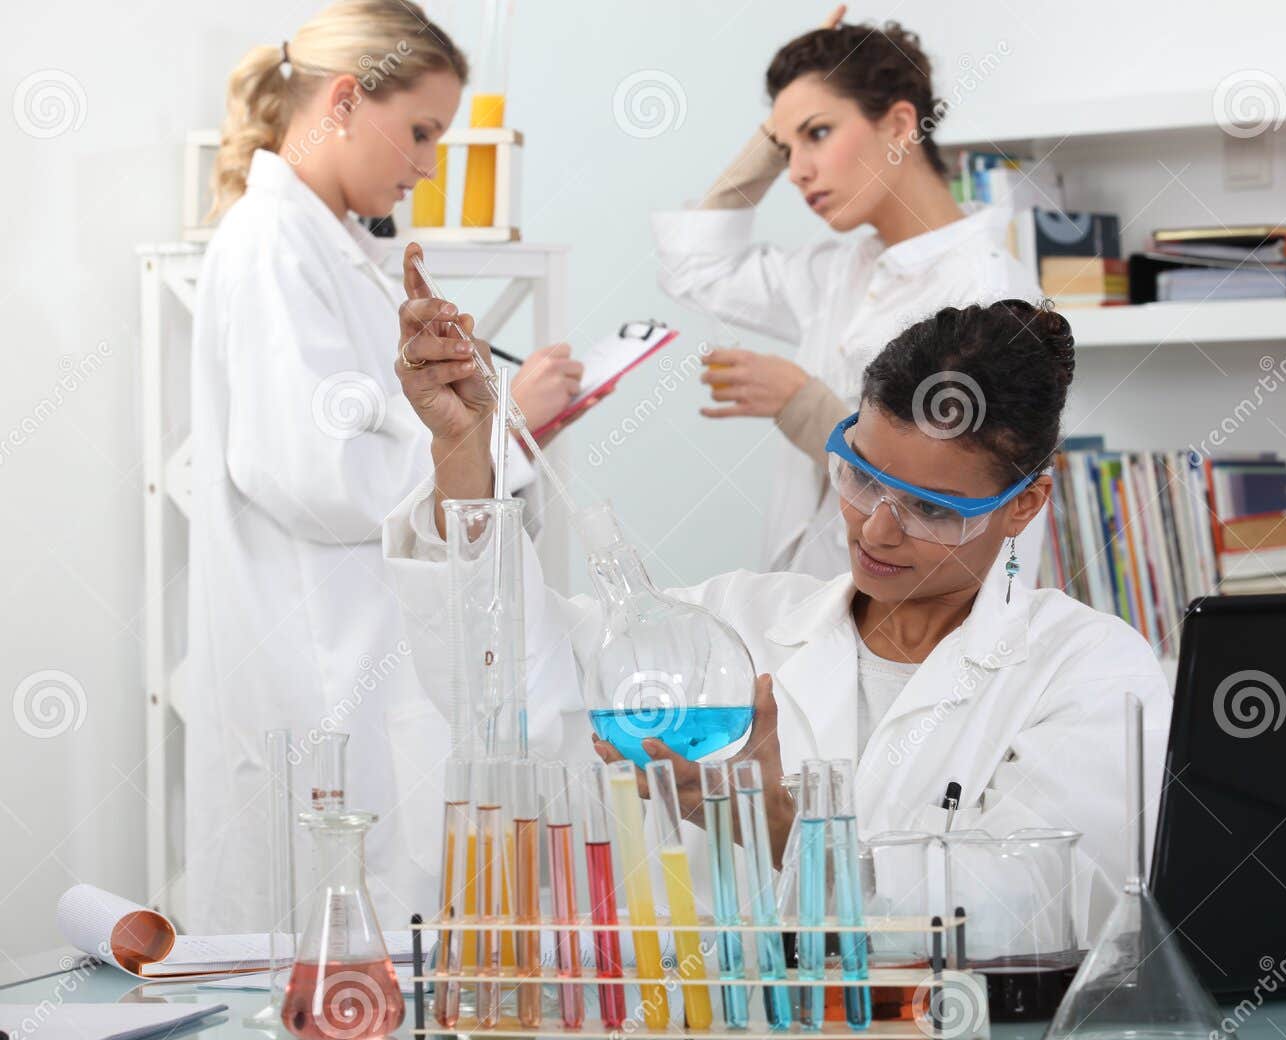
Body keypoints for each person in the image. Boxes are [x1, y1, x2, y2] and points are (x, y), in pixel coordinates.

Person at [386, 294, 1168, 937]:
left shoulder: (1090, 672)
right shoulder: (735, 622)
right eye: (860, 477)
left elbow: (1035, 913)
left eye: (931, 507)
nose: (876, 528)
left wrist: (783, 825)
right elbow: (514, 691)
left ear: (1026, 503)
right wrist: (464, 456)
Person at [185, 0, 582, 932]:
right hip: (319, 661)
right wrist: (494, 434)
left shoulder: (334, 244)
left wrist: (487, 425)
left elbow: (373, 430)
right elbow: (312, 473)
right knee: (327, 951)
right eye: (419, 132)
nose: (427, 164)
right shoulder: (272, 243)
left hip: (364, 650)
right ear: (343, 101)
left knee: (381, 934)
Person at [652, 10, 1047, 589]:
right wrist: (777, 130)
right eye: (784, 150)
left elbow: (956, 493)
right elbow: (695, 265)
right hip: (808, 616)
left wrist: (804, 405)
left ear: (899, 124)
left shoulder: (991, 296)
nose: (794, 172)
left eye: (817, 133)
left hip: (915, 634)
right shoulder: (842, 271)